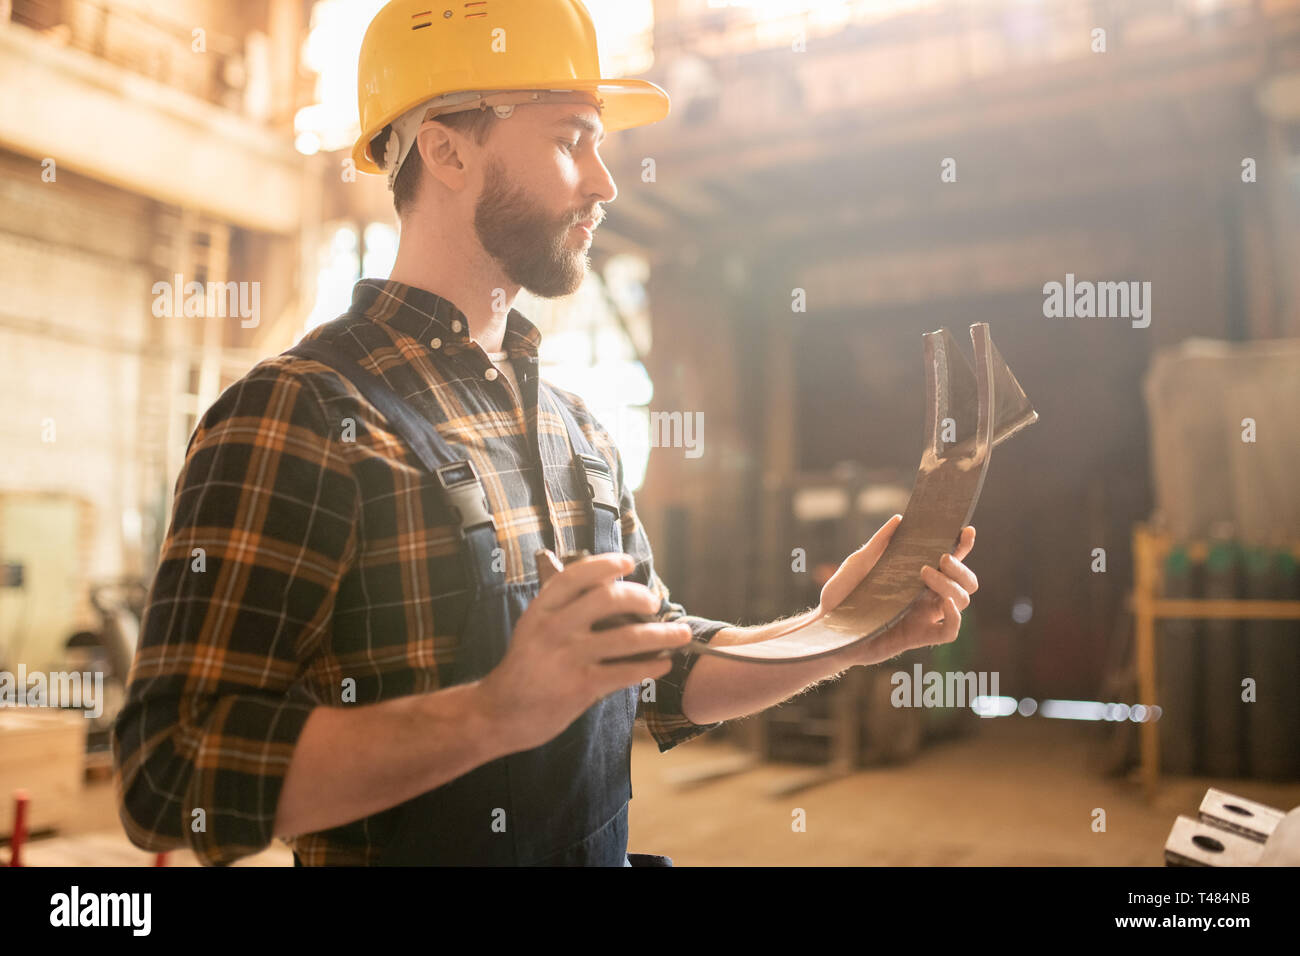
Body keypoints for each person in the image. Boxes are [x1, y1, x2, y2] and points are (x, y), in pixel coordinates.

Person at [112, 0, 978, 866]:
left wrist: (838, 633)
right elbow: (169, 778)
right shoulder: (300, 415)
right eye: (571, 139)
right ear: (448, 147)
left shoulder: (576, 430)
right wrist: (493, 713)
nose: (605, 183)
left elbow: (658, 671)